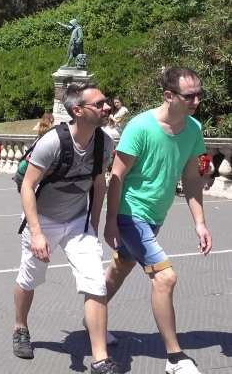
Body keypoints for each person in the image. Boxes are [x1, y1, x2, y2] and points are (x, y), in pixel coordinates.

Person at [103, 67, 211, 374]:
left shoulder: (192, 128)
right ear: (169, 95)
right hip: (130, 214)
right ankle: (175, 357)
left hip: (154, 216)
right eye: (190, 96)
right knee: (165, 278)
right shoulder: (140, 127)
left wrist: (200, 223)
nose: (196, 101)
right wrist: (112, 221)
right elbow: (116, 177)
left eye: (199, 94)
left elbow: (191, 178)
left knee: (121, 266)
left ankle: (92, 315)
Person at [11, 82, 120, 373]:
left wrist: (93, 226)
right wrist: (36, 233)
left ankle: (100, 358)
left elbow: (99, 183)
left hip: (78, 222)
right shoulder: (52, 143)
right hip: (43, 220)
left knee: (95, 280)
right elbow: (27, 185)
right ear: (78, 110)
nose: (106, 107)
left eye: (105, 102)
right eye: (99, 104)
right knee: (30, 278)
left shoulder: (104, 142)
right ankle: (21, 327)